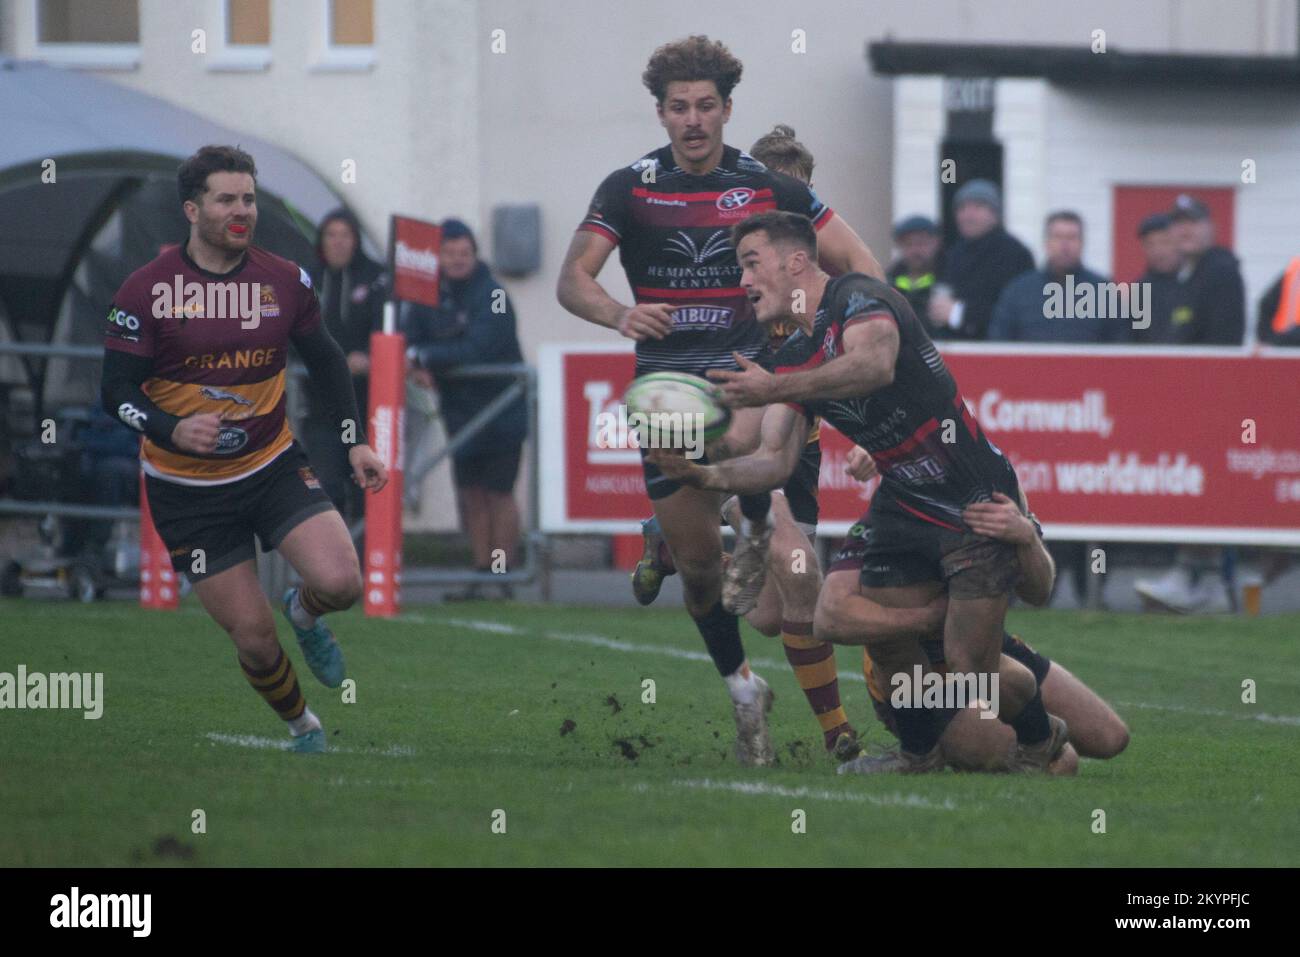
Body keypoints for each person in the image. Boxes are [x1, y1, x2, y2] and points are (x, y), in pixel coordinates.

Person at [556, 36, 884, 766]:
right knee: (701, 571)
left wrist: (847, 330)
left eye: (707, 105)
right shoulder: (629, 186)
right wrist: (617, 314)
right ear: (662, 112)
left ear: (728, 108)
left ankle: (836, 731)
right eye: (680, 107)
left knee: (796, 568)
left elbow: (859, 263)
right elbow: (572, 278)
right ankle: (742, 690)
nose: (694, 119)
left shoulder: (769, 187)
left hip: (754, 382)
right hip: (668, 396)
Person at [651, 211, 1062, 772]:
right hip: (904, 497)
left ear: (797, 261)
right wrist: (703, 477)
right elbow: (773, 460)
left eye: (751, 264)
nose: (742, 281)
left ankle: (1040, 732)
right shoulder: (791, 351)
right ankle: (916, 754)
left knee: (970, 675)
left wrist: (776, 387)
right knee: (834, 616)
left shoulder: (859, 297)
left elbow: (874, 364)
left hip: (972, 497)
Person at [100, 145, 387, 754]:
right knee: (254, 638)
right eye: (226, 199)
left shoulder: (284, 280)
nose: (241, 210)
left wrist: (354, 440)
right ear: (191, 208)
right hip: (189, 495)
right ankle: (302, 727)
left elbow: (329, 361)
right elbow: (115, 393)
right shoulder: (146, 291)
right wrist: (169, 428)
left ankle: (304, 613)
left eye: (249, 198)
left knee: (342, 582)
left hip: (272, 466)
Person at [633, 124, 864, 762]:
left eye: (800, 203)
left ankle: (675, 534)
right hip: (752, 427)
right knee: (798, 566)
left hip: (799, 438)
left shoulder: (815, 268)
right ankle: (838, 735)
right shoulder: (730, 270)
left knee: (775, 612)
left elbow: (856, 338)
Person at [822, 449, 1128, 775]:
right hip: (918, 675)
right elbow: (830, 616)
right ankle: (922, 743)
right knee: (1062, 764)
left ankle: (1005, 722)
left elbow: (1038, 593)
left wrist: (1026, 538)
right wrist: (922, 619)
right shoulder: (886, 522)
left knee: (1111, 737)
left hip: (981, 648)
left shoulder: (992, 505)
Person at [404, 219, 527, 600]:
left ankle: (501, 574)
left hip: (501, 411)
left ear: (475, 254)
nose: (457, 261)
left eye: (464, 253)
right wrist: (417, 358)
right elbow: (409, 337)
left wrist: (423, 357)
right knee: (470, 493)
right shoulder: (428, 296)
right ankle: (480, 573)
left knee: (498, 493)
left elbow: (479, 349)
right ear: (438, 256)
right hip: (459, 411)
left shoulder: (493, 294)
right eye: (449, 253)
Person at [302, 208, 385, 522]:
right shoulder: (306, 279)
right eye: (331, 235)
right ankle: (330, 565)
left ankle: (366, 564)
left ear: (356, 240)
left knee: (367, 488)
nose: (337, 243)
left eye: (345, 235)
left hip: (368, 406)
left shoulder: (376, 278)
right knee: (324, 487)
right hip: (321, 407)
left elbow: (388, 330)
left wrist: (368, 356)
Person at [988, 211, 1122, 343]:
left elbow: (1121, 345)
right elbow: (999, 342)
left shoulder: (1104, 292)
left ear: (1082, 243)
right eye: (1057, 237)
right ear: (1046, 242)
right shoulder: (1018, 291)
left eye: (1071, 237)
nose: (1065, 245)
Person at [929, 179, 1034, 340]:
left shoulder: (1014, 255)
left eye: (977, 207)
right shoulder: (952, 254)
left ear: (995, 214)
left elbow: (1017, 311)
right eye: (962, 208)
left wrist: (958, 313)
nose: (968, 215)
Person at [1165, 194, 1245, 345]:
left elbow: (1222, 340)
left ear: (1211, 228)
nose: (1185, 230)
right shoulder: (1183, 275)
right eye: (1179, 224)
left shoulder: (1221, 272)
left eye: (1193, 222)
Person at [1129, 212, 1188, 344]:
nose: (1158, 250)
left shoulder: (1196, 284)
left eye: (1165, 242)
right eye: (1150, 244)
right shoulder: (1138, 292)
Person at [886, 215, 942, 323]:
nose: (915, 250)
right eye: (908, 244)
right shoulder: (889, 281)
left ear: (936, 243)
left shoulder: (948, 278)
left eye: (922, 243)